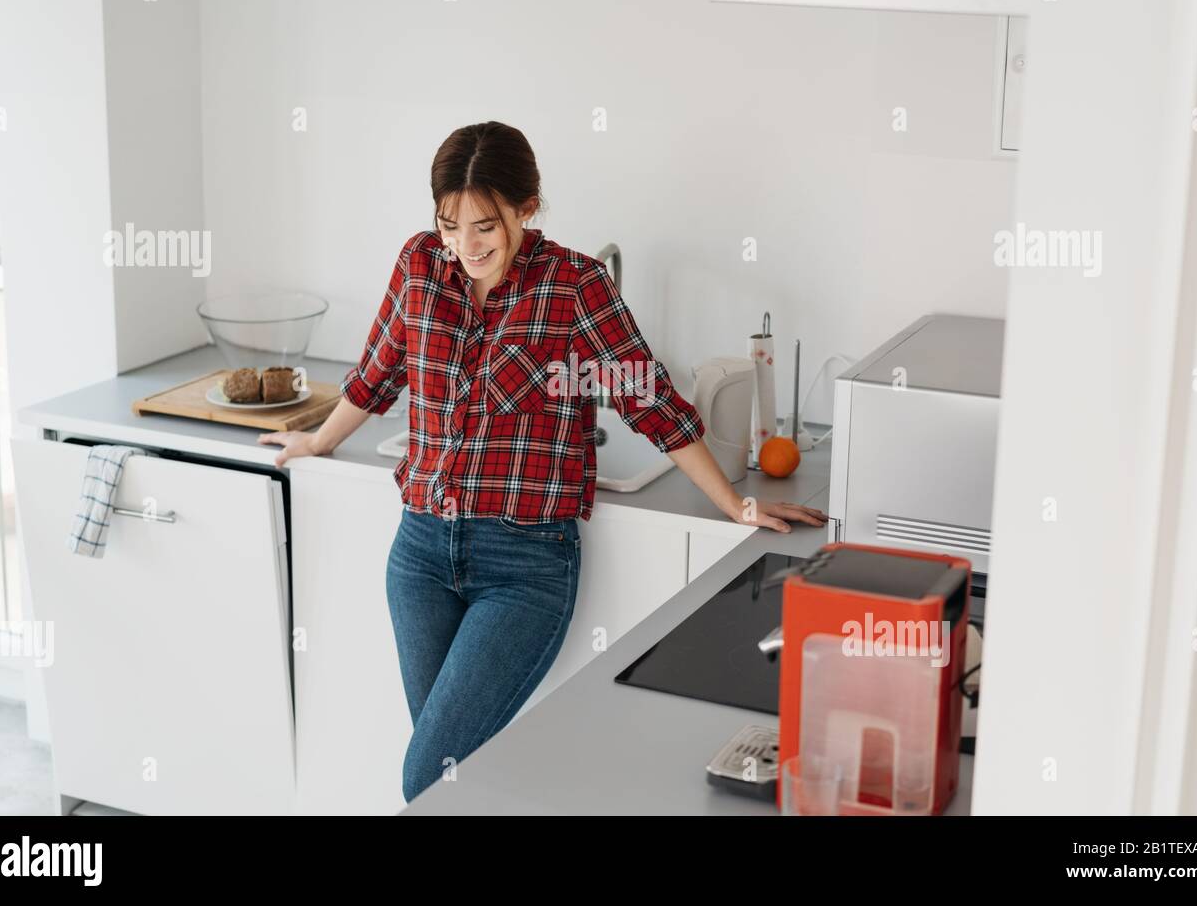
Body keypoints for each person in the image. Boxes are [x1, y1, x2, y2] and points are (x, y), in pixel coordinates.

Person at [258, 121, 826, 802]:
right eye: (449, 225)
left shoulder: (574, 284)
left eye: (485, 227)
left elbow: (651, 404)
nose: (464, 246)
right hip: (419, 556)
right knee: (455, 783)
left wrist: (737, 504)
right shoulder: (418, 265)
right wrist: (318, 440)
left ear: (527, 208)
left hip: (524, 567)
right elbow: (377, 372)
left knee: (427, 775)